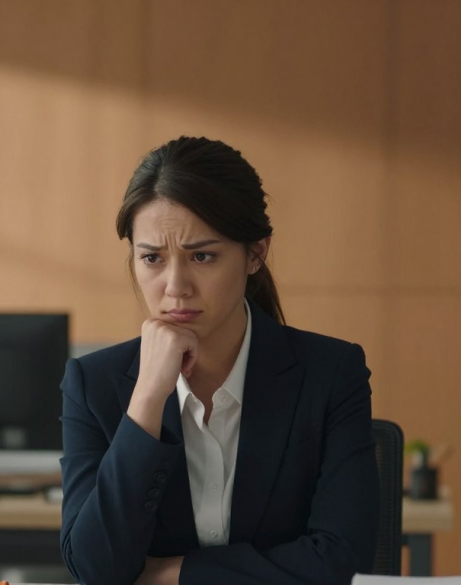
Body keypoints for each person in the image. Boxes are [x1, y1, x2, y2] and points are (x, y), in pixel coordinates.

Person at [59, 136, 379, 585]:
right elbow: (96, 570)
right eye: (151, 258)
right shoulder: (94, 384)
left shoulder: (331, 373)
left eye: (203, 256)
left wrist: (176, 574)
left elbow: (343, 561)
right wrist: (148, 398)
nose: (175, 286)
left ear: (255, 254)